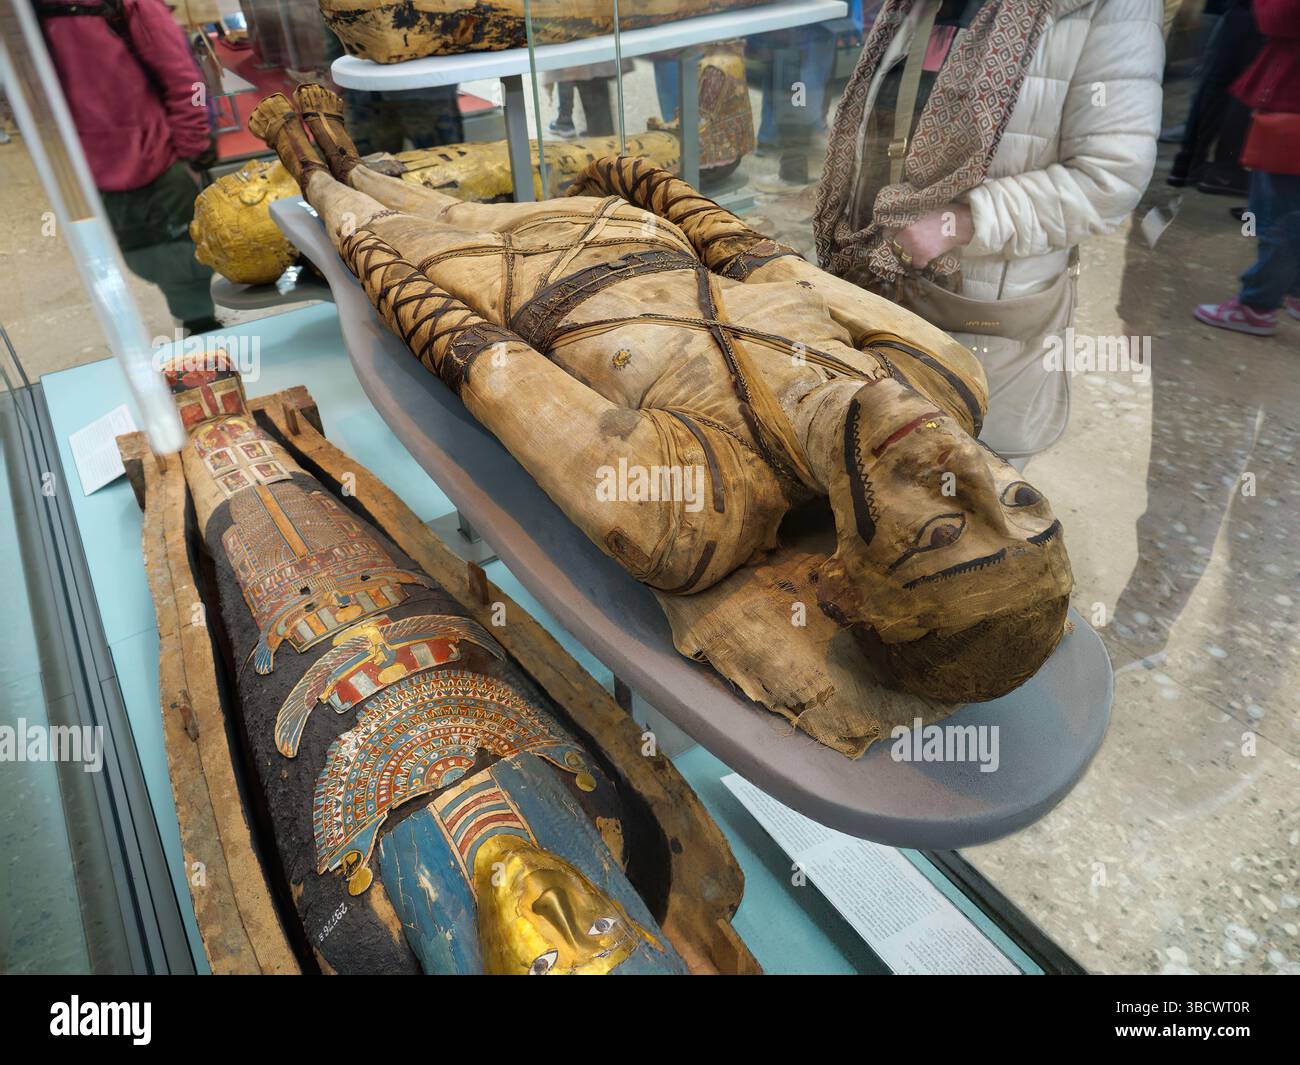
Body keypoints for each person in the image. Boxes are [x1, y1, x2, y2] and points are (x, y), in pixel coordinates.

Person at [815, 0, 1164, 460]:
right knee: (873, 456)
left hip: (978, 296)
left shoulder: (1112, 8)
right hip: (876, 275)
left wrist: (959, 222)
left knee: (966, 479)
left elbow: (1109, 179)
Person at [38, 0, 219, 334]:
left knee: (187, 273)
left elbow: (188, 81)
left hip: (159, 164)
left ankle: (206, 343)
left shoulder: (127, 5)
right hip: (94, 178)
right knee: (148, 263)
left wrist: (193, 150)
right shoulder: (26, 17)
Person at [1193, 0, 1300, 336]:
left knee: (1278, 217)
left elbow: (1278, 17)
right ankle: (1294, 292)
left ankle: (1256, 306)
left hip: (1292, 106)